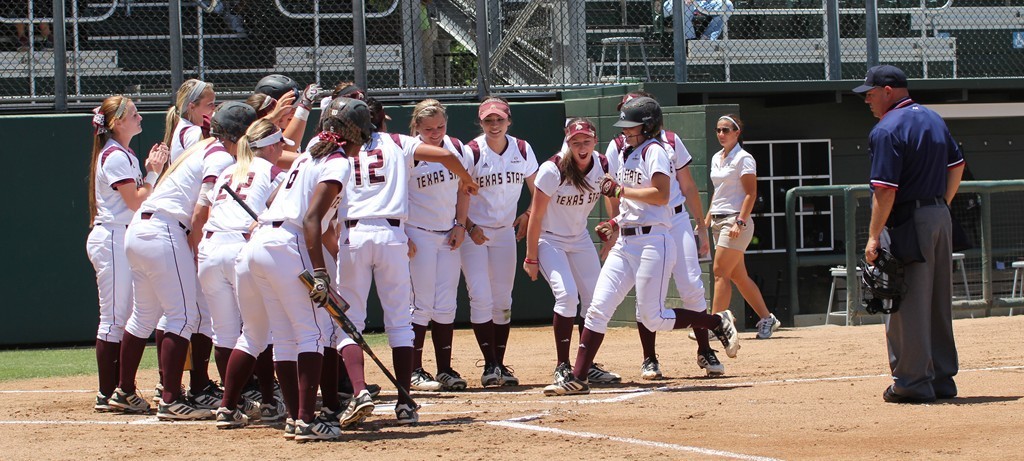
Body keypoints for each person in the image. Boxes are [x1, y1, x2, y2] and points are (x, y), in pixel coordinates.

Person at [543, 97, 739, 397]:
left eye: (632, 127)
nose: (626, 132)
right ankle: (578, 377)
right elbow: (631, 204)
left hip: (654, 241)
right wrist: (614, 223)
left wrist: (621, 190)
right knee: (597, 308)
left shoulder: (656, 151)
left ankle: (715, 321)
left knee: (653, 317)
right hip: (626, 240)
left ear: (648, 127)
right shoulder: (626, 151)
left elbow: (661, 195)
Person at [303, 98, 478, 428]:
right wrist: (465, 178)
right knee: (399, 320)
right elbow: (444, 154)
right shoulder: (397, 141)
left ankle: (358, 391)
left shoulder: (335, 151)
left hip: (352, 232)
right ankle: (404, 402)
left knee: (348, 318)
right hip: (392, 234)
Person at [230, 97, 367, 441]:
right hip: (290, 241)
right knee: (311, 333)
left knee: (285, 337)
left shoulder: (310, 152)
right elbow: (311, 220)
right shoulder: (336, 161)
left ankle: (295, 416)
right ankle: (306, 419)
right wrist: (320, 272)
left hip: (262, 239)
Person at [108, 101, 255, 420]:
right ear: (236, 134)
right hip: (166, 229)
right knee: (184, 316)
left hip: (142, 230)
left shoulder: (202, 148)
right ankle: (171, 398)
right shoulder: (218, 155)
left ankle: (124, 391)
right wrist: (200, 251)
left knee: (143, 316)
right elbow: (202, 210)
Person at [854, 64, 964, 403]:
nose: (867, 100)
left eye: (870, 94)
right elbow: (957, 166)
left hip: (907, 221)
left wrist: (873, 237)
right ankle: (942, 379)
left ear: (889, 91)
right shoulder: (933, 118)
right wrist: (939, 206)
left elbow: (885, 191)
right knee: (937, 300)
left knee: (904, 300)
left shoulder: (887, 129)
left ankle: (913, 383)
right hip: (939, 217)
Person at [607, 92, 716, 378]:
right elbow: (612, 189)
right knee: (647, 291)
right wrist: (615, 224)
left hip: (675, 216)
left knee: (691, 283)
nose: (626, 121)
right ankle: (649, 358)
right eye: (623, 112)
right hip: (640, 221)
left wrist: (700, 226)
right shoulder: (617, 145)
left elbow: (688, 185)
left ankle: (705, 349)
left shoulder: (669, 141)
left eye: (632, 113)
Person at [199, 118, 291, 429]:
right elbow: (283, 212)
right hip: (240, 245)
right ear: (269, 146)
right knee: (257, 331)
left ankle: (232, 404)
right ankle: (266, 400)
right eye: (279, 144)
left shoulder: (228, 169)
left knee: (225, 335)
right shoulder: (273, 171)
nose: (281, 150)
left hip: (210, 249)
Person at [523, 117, 622, 387]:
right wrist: (531, 257)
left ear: (594, 141)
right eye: (576, 142)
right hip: (549, 239)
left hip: (579, 238)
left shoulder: (602, 163)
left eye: (586, 141)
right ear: (567, 143)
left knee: (595, 301)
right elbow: (536, 215)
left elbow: (612, 197)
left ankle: (585, 366)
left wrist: (612, 230)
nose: (582, 146)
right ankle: (562, 366)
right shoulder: (552, 169)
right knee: (567, 297)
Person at [87, 96, 169, 412]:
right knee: (114, 317)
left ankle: (120, 389)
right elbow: (136, 201)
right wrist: (154, 172)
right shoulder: (115, 156)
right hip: (112, 236)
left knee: (128, 314)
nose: (139, 117)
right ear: (117, 122)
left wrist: (150, 170)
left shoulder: (123, 154)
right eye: (133, 114)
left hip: (121, 235)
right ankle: (108, 393)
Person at [461, 97, 539, 387]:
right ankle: (490, 364)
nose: (494, 125)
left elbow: (538, 189)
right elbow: (459, 194)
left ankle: (500, 364)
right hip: (476, 233)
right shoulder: (472, 152)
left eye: (499, 120)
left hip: (505, 231)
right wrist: (468, 225)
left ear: (509, 121)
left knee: (503, 299)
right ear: (480, 123)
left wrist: (528, 214)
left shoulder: (521, 148)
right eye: (488, 120)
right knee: (480, 295)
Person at [405, 99, 472, 392]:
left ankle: (444, 368)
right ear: (417, 127)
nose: (436, 133)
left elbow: (465, 188)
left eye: (440, 126)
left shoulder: (457, 149)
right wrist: (402, 234)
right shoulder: (409, 151)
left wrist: (460, 224)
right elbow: (397, 194)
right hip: (418, 232)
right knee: (420, 304)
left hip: (448, 232)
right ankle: (414, 369)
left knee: (446, 304)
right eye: (429, 128)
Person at [703, 114, 781, 340]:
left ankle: (714, 324)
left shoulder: (744, 158)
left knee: (719, 272)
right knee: (738, 276)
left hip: (735, 221)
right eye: (718, 130)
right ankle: (768, 319)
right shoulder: (717, 157)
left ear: (737, 133)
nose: (721, 134)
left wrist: (740, 221)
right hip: (718, 220)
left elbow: (751, 193)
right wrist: (707, 219)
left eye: (726, 130)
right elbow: (719, 192)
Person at [663, 0, 734, 40]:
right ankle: (689, 42)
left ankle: (707, 39)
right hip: (673, 3)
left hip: (702, 3)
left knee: (727, 5)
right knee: (683, 4)